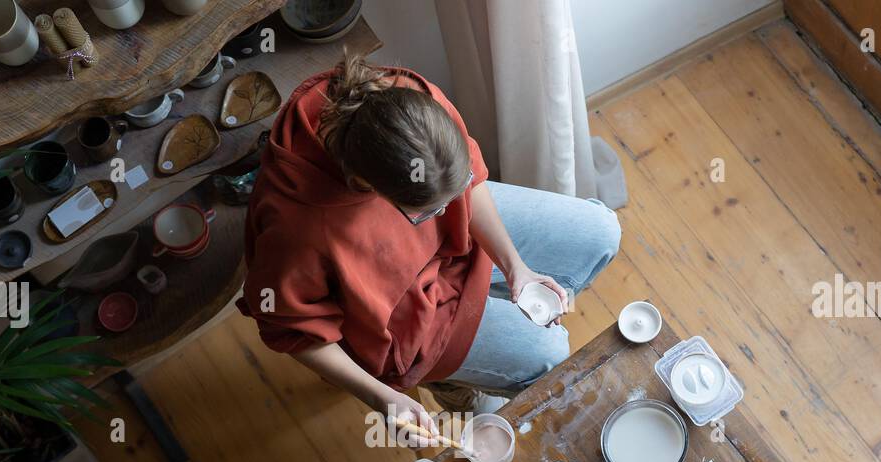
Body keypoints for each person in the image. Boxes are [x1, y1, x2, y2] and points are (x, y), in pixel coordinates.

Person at [237, 53, 621, 441]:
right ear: (369, 188)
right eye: (427, 211)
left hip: (442, 239)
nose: (448, 210)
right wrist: (381, 398)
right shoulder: (298, 230)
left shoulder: (412, 102)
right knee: (549, 353)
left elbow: (468, 184)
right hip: (398, 311)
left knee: (600, 231)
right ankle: (455, 385)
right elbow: (292, 330)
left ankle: (493, 308)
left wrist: (514, 266)